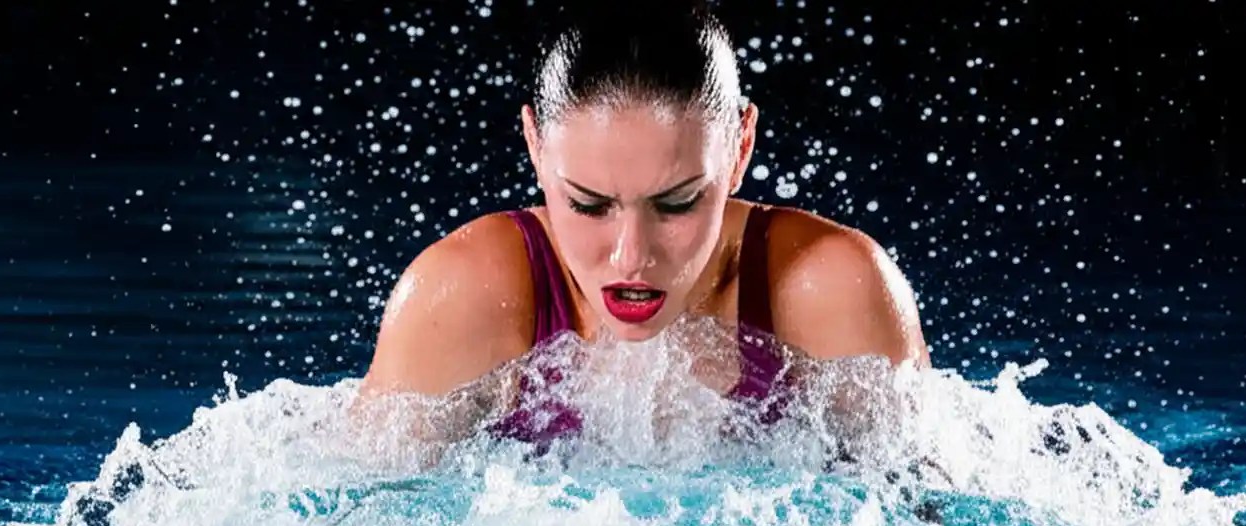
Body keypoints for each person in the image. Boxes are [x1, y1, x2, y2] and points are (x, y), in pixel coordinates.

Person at [353, 1, 930, 450]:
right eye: (588, 204)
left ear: (741, 147)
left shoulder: (829, 288)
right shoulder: (463, 295)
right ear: (534, 147)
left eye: (676, 203)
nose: (631, 257)